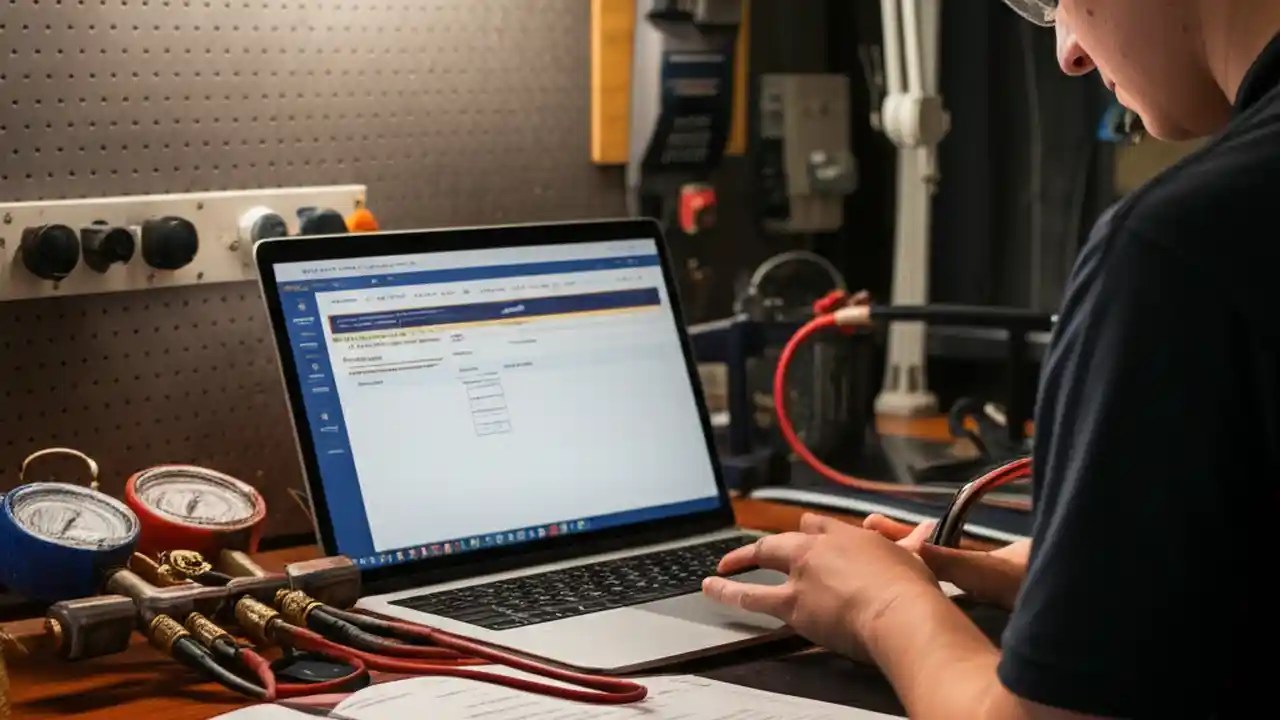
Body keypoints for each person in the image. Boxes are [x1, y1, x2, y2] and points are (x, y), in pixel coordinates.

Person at [701, 0, 1280, 717]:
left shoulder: (1180, 247)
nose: (1069, 52)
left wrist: (884, 607)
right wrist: (1081, 584)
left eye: (1060, 0)